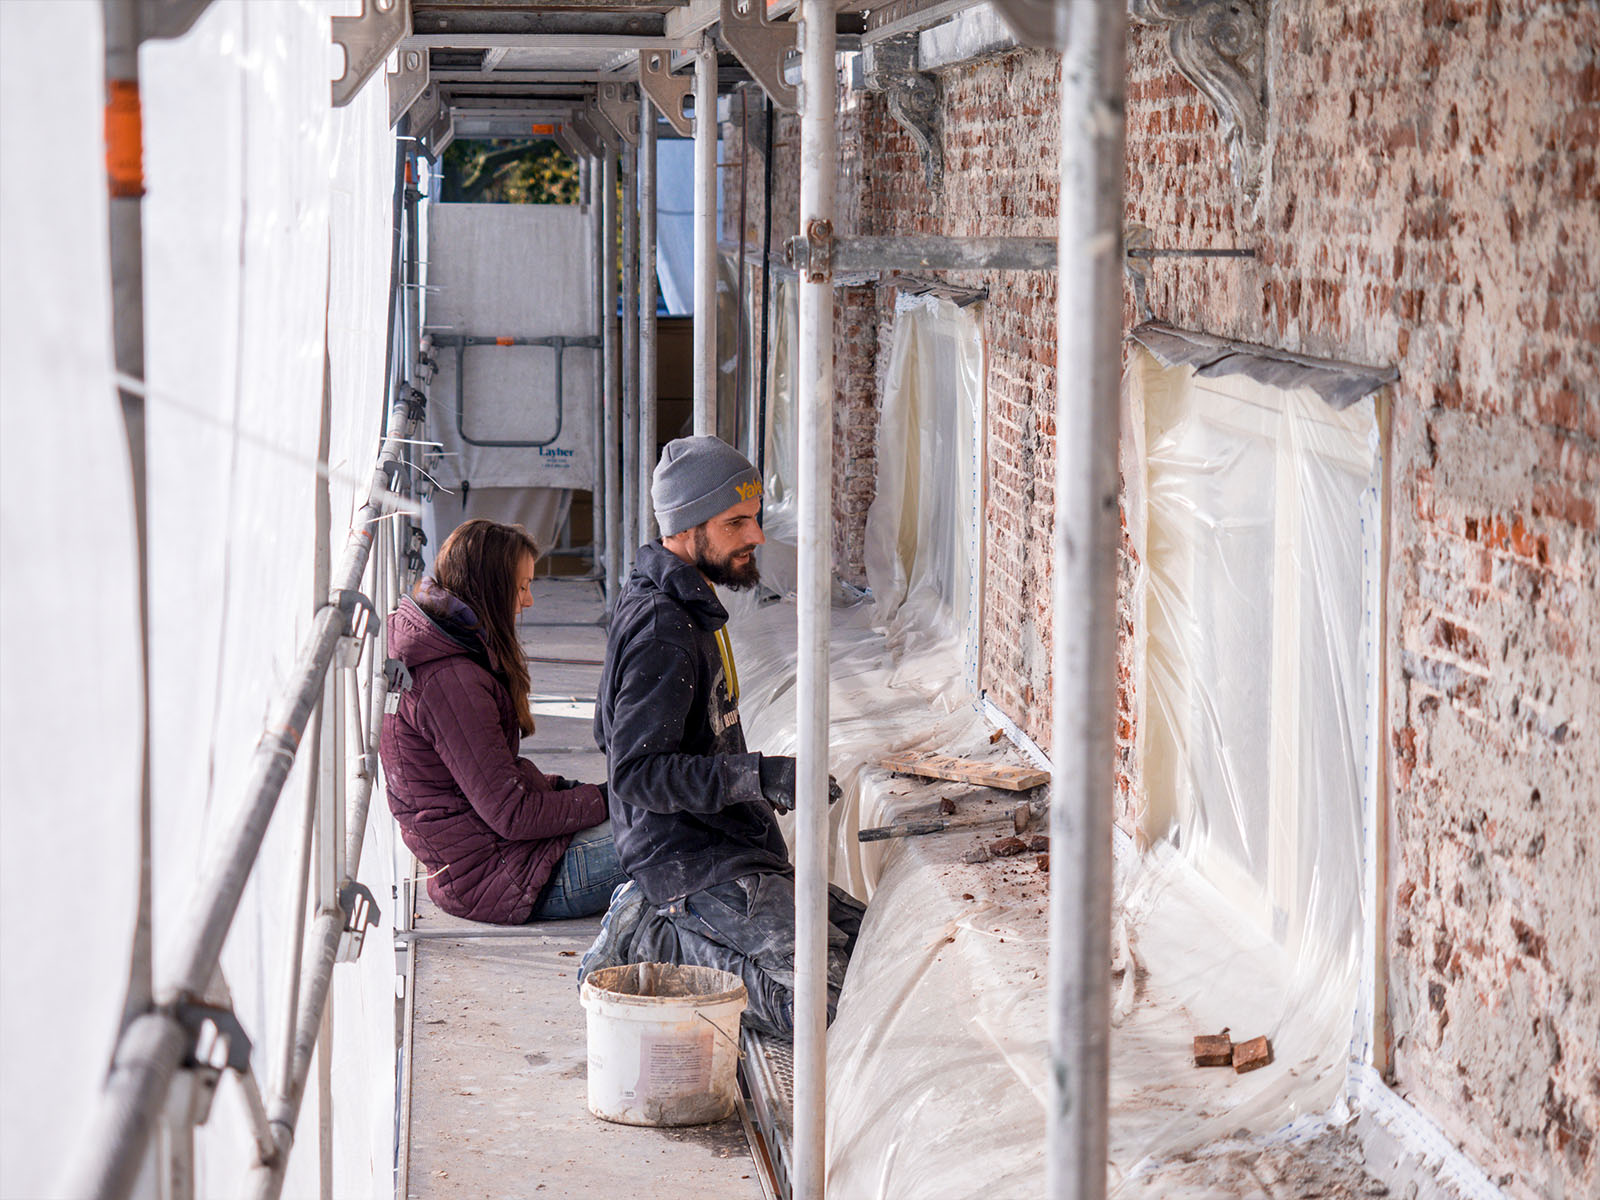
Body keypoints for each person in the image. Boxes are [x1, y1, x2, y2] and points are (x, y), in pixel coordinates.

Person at [582, 435, 865, 1037]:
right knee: (828, 1006)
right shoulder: (664, 628)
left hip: (728, 845)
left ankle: (671, 920)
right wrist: (758, 777)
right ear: (685, 529)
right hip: (694, 864)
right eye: (735, 522)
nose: (756, 536)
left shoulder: (687, 604)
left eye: (755, 518)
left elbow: (611, 727)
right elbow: (633, 771)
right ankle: (662, 939)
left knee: (876, 947)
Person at [380, 519, 626, 924]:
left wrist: (584, 795)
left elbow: (489, 788)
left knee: (664, 812)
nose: (528, 602)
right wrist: (606, 799)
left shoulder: (446, 649)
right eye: (522, 587)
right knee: (684, 831)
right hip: (506, 878)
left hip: (493, 863)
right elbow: (513, 815)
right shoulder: (451, 682)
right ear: (490, 589)